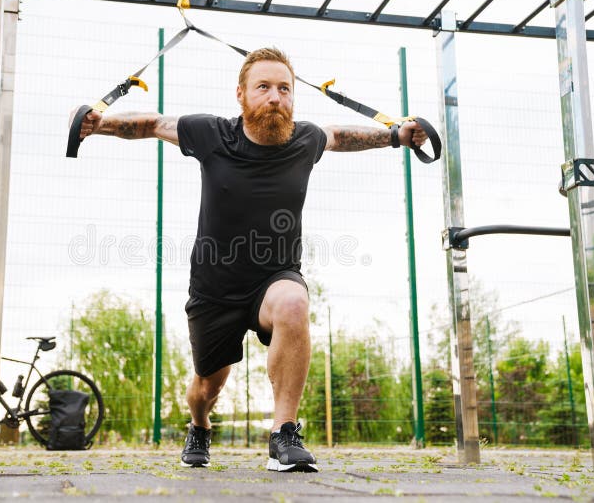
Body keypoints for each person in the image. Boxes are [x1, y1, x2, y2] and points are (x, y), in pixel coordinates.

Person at [71, 48, 428, 472]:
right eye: (264, 87)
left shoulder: (304, 140)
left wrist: (396, 135)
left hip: (273, 279)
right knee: (207, 387)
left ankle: (284, 434)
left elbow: (338, 135)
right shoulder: (212, 134)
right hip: (214, 288)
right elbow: (152, 124)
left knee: (294, 302)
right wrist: (99, 124)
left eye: (284, 89)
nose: (275, 97)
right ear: (241, 94)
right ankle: (199, 427)